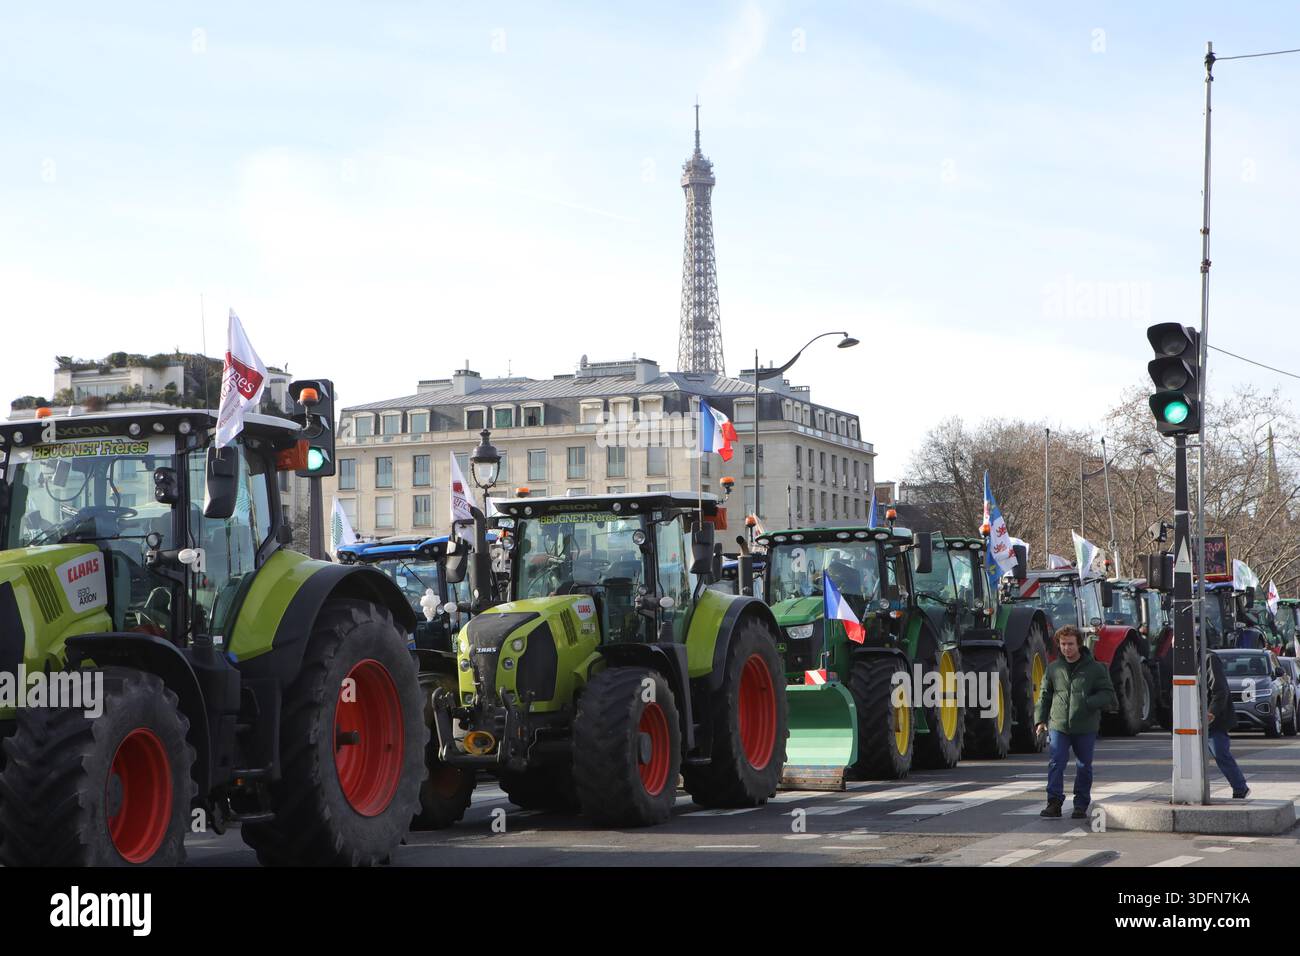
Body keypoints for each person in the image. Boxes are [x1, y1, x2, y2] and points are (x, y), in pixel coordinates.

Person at [1035, 625, 1118, 819]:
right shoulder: (1054, 668)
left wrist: (1088, 703)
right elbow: (1045, 695)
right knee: (1056, 762)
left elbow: (1107, 693)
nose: (1066, 648)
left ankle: (1080, 805)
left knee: (1084, 765)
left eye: (1070, 644)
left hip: (1085, 725)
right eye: (1063, 644)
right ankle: (1054, 803)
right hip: (1059, 724)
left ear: (1079, 644)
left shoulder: (1096, 669)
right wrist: (1040, 720)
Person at [1206, 650, 1249, 798]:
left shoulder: (1209, 658)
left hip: (1213, 719)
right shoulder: (1182, 659)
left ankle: (1240, 787)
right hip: (1192, 718)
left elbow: (1220, 690)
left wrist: (1211, 712)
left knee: (1220, 752)